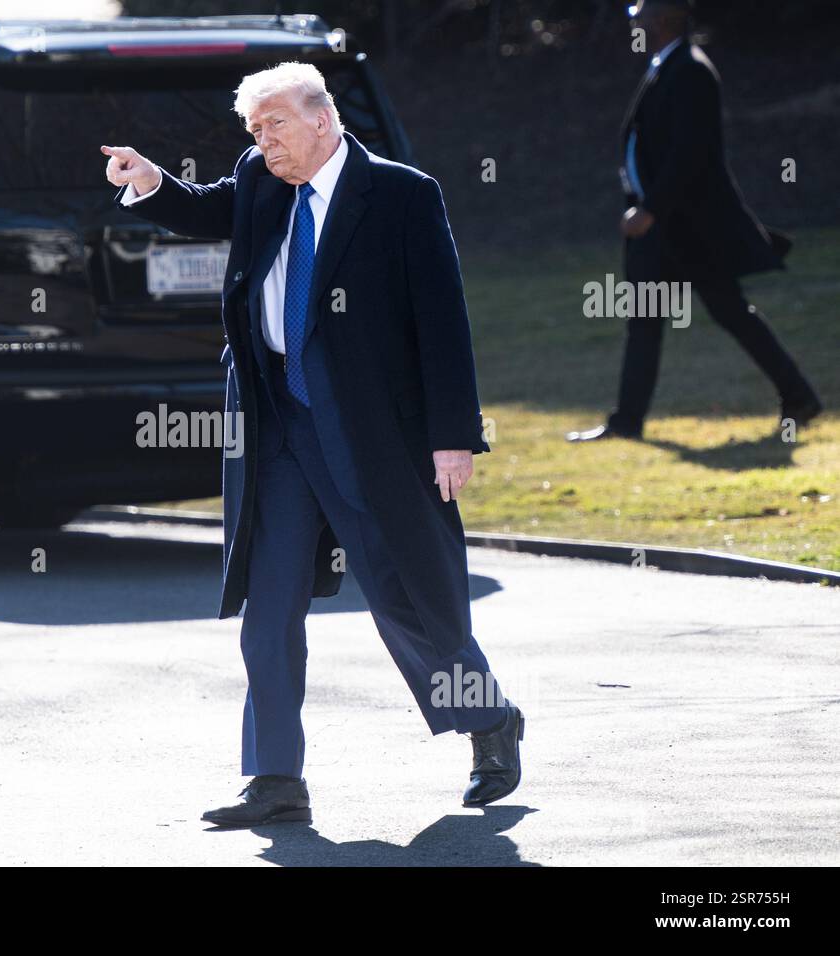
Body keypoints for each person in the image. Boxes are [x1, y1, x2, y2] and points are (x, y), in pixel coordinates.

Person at [101, 62, 523, 827]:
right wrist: (151, 180)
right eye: (255, 131)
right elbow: (207, 211)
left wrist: (454, 437)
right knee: (271, 599)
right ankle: (274, 778)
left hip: (368, 434)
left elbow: (443, 323)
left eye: (276, 127)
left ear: (321, 119)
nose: (264, 143)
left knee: (402, 594)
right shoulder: (261, 182)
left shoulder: (401, 195)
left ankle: (489, 721)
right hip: (277, 426)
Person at [568, 0, 822, 443]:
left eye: (640, 14)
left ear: (664, 20)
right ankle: (627, 421)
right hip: (665, 229)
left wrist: (650, 210)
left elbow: (692, 154)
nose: (633, 22)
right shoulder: (666, 66)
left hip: (686, 230)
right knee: (648, 321)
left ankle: (799, 396)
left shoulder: (692, 71)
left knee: (731, 314)